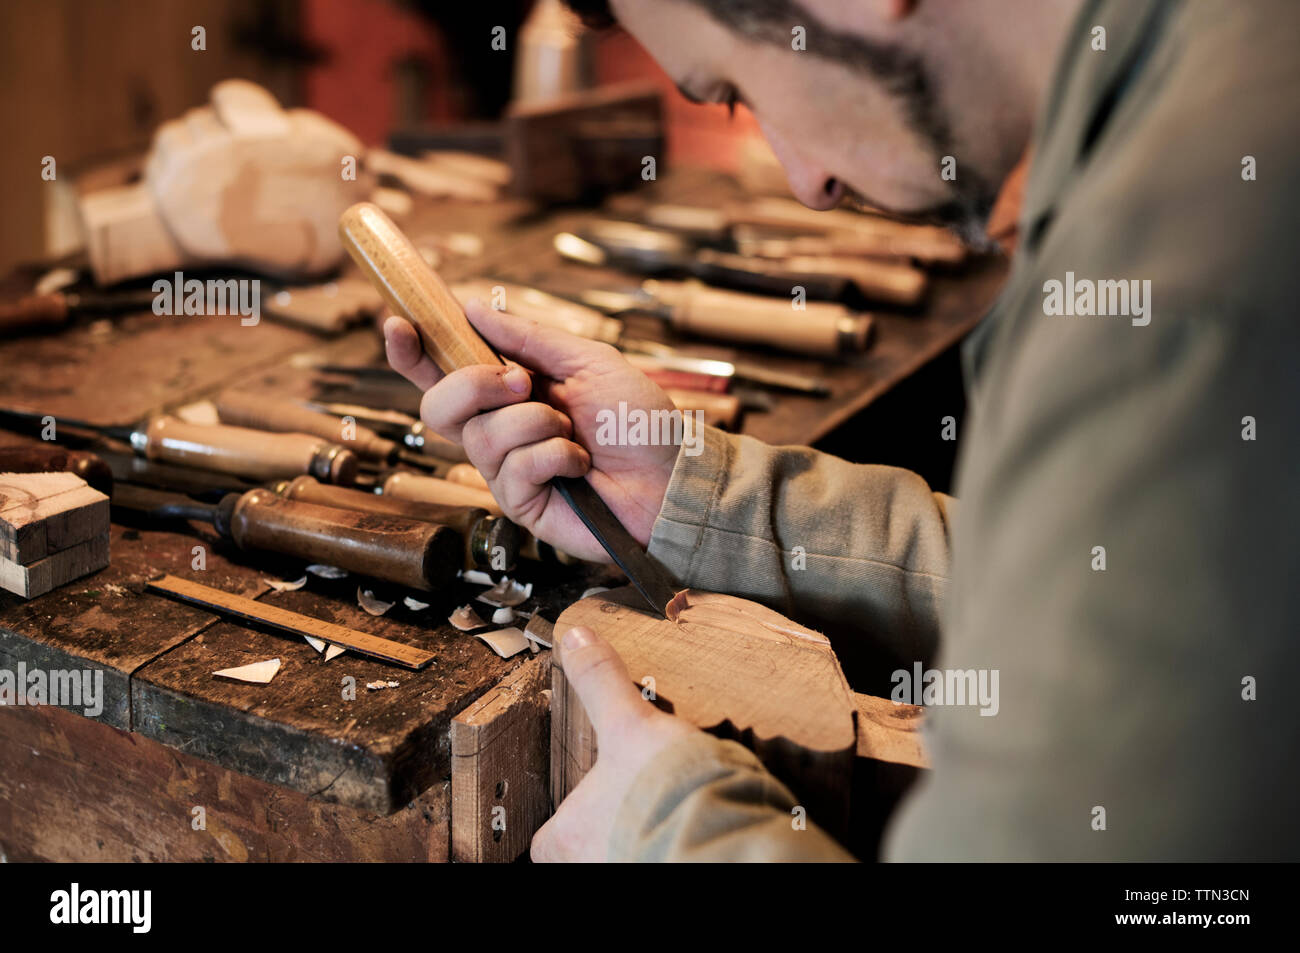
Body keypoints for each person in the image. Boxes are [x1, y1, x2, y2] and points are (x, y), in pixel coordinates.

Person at [385, 0, 1300, 861]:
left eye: (737, 89)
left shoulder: (1183, 282)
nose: (807, 184)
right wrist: (698, 499)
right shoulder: (1217, 88)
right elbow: (1112, 572)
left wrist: (673, 828)